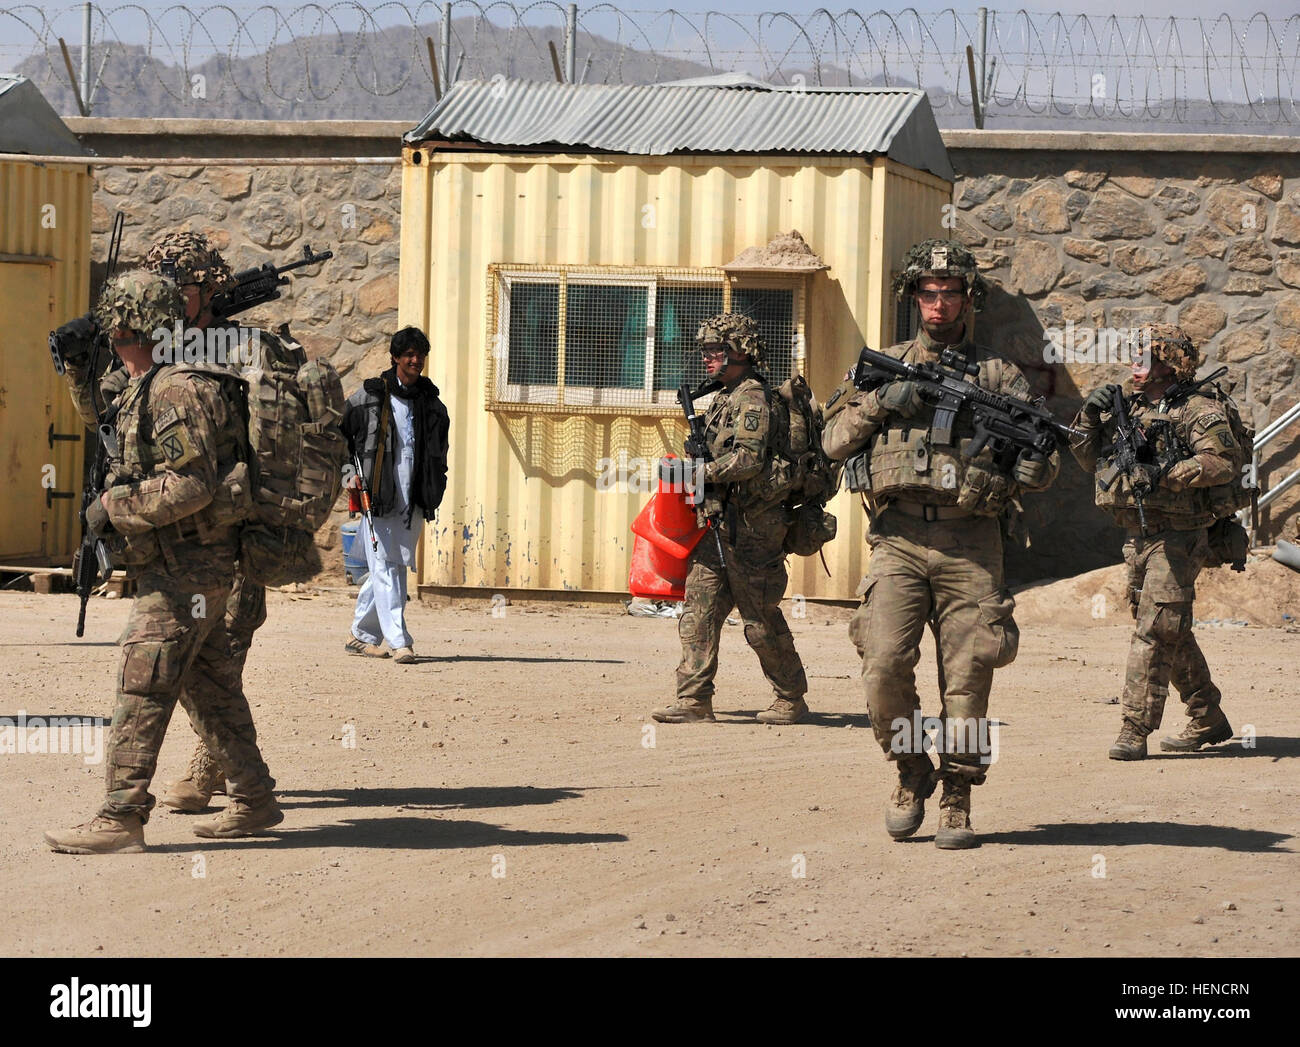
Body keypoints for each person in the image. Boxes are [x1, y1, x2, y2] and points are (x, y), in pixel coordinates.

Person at [822, 239, 1058, 849]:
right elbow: (831, 443)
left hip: (972, 540)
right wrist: (882, 402)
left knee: (970, 676)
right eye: (929, 292)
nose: (939, 303)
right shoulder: (883, 366)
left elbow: (1038, 455)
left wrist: (1037, 472)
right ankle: (910, 769)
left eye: (951, 292)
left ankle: (958, 794)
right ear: (914, 298)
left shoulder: (1000, 374)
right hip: (898, 537)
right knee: (882, 666)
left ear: (967, 299)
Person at [44, 271, 281, 853]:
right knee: (210, 685)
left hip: (188, 567)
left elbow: (193, 485)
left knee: (142, 678)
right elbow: (104, 420)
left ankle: (120, 816)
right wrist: (75, 367)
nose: (111, 338)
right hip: (182, 564)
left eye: (114, 328)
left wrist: (113, 506)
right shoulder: (144, 384)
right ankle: (254, 799)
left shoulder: (177, 390)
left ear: (132, 328)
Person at [1070, 323, 1238, 759]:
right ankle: (1207, 715)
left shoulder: (1197, 409)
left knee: (1154, 628)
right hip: (1137, 536)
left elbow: (1223, 461)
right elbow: (1087, 458)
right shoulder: (1128, 409)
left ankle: (1134, 727)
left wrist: (1172, 474)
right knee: (1169, 629)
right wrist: (1088, 416)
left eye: (1145, 357)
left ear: (1170, 364)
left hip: (1181, 535)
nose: (1135, 365)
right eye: (1134, 356)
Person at [143, 232, 268, 812]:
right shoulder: (157, 351)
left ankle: (211, 769)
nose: (170, 298)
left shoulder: (240, 351)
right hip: (180, 542)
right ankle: (245, 781)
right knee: (202, 661)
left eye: (181, 289)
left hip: (237, 536)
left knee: (217, 657)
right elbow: (115, 423)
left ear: (209, 291)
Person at [651, 313, 810, 726]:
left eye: (715, 351)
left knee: (758, 619)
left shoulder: (752, 397)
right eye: (704, 351)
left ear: (740, 352)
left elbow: (748, 460)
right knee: (699, 608)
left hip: (754, 528)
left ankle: (791, 697)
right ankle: (693, 699)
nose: (707, 358)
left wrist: (695, 474)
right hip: (722, 522)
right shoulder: (726, 395)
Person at [340, 326, 450, 662]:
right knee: (386, 565)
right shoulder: (370, 396)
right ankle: (399, 641)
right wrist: (349, 474)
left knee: (395, 564)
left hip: (413, 494)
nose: (415, 360)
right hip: (378, 492)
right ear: (395, 358)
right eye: (409, 355)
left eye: (420, 355)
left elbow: (439, 451)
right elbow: (340, 434)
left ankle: (361, 635)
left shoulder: (431, 403)